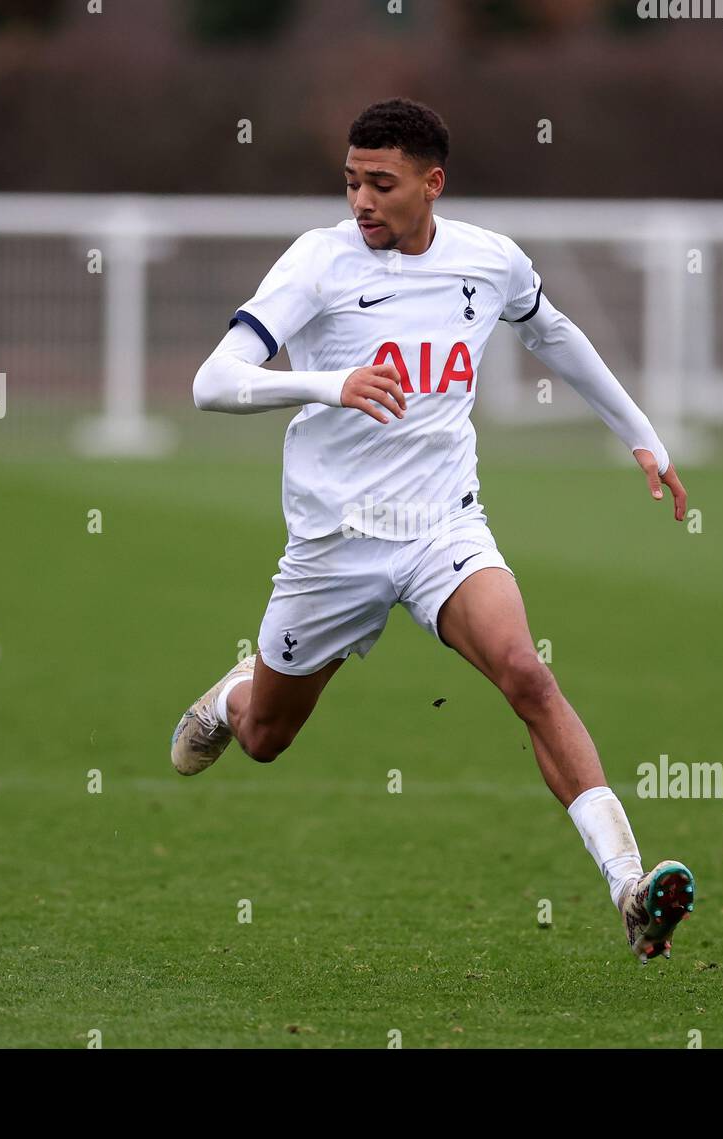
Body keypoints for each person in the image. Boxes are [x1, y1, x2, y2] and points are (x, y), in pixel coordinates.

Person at [173, 97, 694, 964]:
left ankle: (630, 888)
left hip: (441, 529)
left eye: (382, 184)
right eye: (351, 183)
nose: (361, 202)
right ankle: (232, 695)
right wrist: (326, 384)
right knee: (266, 737)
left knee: (527, 672)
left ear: (432, 183)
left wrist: (642, 435)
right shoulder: (319, 263)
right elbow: (210, 382)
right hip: (334, 544)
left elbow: (552, 333)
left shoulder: (488, 261)